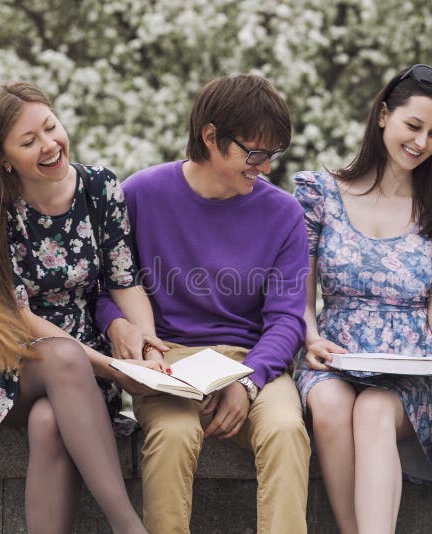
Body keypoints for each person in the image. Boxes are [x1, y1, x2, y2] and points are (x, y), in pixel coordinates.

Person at [292, 64, 432, 534]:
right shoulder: (320, 193)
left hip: (411, 362)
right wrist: (310, 338)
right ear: (382, 116)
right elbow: (299, 291)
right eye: (413, 126)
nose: (422, 143)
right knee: (332, 408)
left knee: (375, 411)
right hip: (333, 352)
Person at [95, 74, 311, 534]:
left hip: (252, 363)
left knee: (287, 431)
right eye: (255, 154)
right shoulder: (140, 194)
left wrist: (248, 382)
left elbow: (288, 320)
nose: (266, 167)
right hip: (167, 359)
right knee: (172, 436)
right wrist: (118, 326)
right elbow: (101, 289)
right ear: (211, 137)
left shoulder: (285, 213)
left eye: (272, 155)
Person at [0, 81, 158, 534]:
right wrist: (111, 369)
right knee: (62, 358)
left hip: (84, 367)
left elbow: (125, 281)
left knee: (48, 423)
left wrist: (146, 348)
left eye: (50, 126)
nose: (49, 145)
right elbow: (16, 317)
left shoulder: (99, 187)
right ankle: (129, 527)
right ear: (2, 158)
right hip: (9, 363)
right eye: (28, 141)